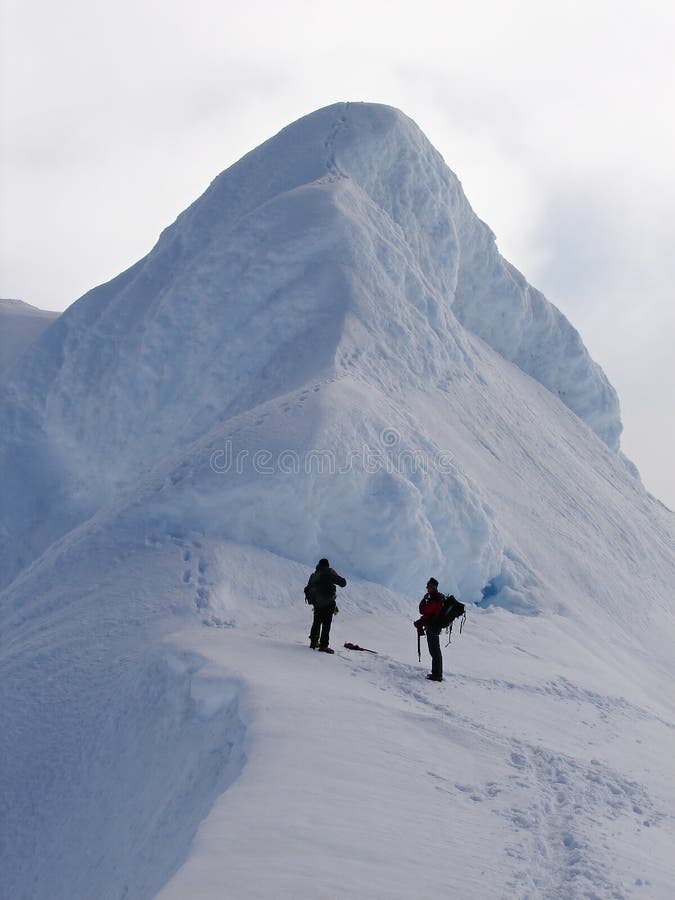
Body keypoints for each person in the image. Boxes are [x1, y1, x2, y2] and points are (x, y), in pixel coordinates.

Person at [304, 558, 347, 653]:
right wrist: (335, 573)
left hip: (317, 603)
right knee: (326, 624)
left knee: (316, 622)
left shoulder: (315, 575)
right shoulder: (328, 572)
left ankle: (314, 642)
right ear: (327, 565)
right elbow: (343, 583)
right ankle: (324, 645)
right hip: (328, 603)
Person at [414, 577, 444, 681]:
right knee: (435, 651)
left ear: (433, 587)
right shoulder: (436, 598)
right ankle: (436, 673)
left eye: (429, 586)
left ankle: (437, 675)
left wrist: (424, 599)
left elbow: (423, 610)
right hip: (434, 627)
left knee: (434, 651)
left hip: (433, 627)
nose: (427, 588)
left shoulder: (435, 599)